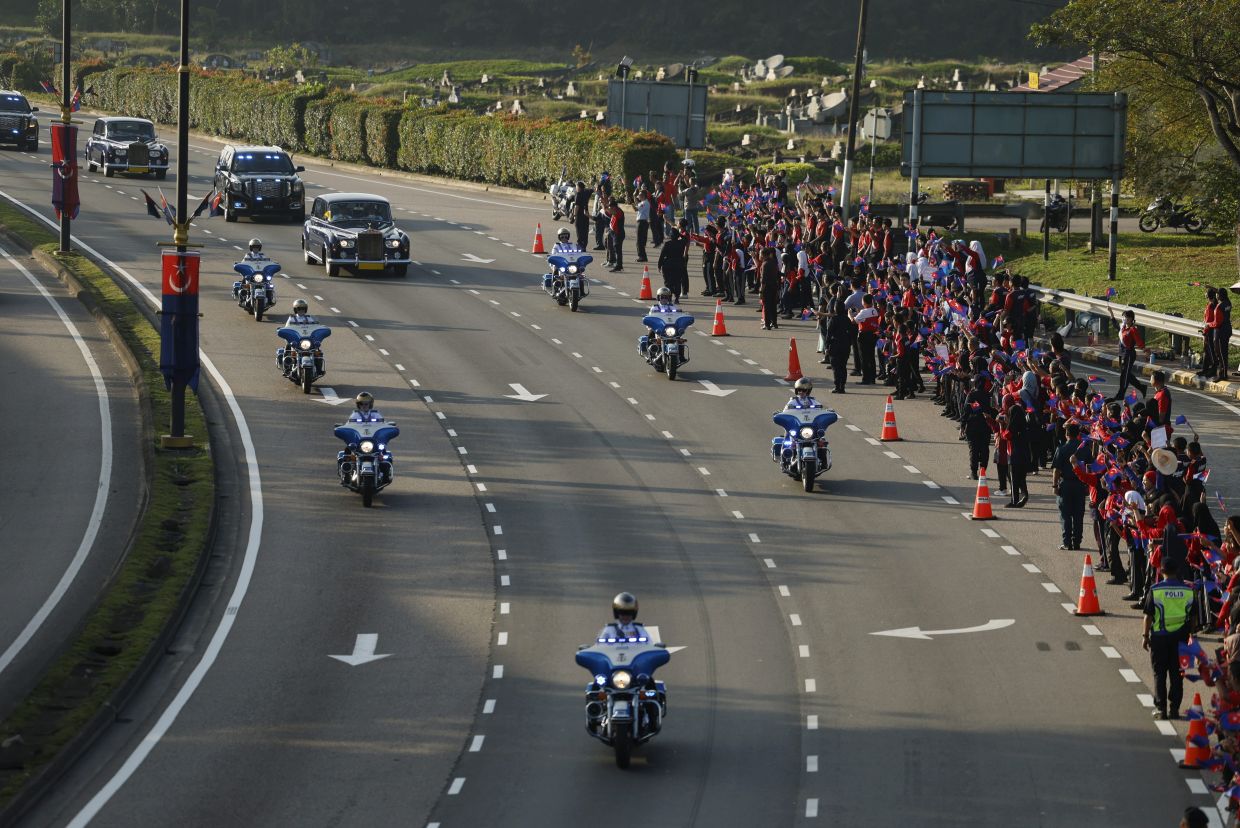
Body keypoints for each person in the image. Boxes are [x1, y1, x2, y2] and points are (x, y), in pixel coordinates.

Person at [1143, 556, 1196, 720]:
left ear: (1161, 570)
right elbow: (1193, 617)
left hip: (1159, 637)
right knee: (1177, 674)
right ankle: (1174, 708)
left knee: (1159, 673)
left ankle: (1161, 709)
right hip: (1181, 638)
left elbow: (1148, 616)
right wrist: (1191, 635)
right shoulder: (1188, 591)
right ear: (1177, 571)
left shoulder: (1156, 589)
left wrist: (1145, 636)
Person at [1052, 422, 1089, 550]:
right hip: (1080, 484)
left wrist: (1054, 486)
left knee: (1065, 514)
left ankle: (1067, 541)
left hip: (1066, 484)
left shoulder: (1061, 449)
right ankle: (1077, 541)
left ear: (1066, 434)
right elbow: (1090, 467)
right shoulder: (1084, 448)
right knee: (1078, 514)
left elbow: (1056, 470)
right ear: (1078, 434)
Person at [1110, 308, 1147, 401]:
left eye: (1126, 317)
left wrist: (1145, 349)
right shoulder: (1123, 327)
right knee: (1126, 374)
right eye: (1123, 317)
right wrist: (1111, 312)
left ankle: (1121, 394)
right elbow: (1115, 325)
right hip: (1121, 353)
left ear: (1131, 319)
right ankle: (1142, 387)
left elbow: (1139, 341)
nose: (1124, 318)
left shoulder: (1132, 329)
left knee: (1124, 375)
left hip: (1129, 354)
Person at [961, 377, 994, 480]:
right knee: (984, 449)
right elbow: (992, 410)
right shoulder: (988, 395)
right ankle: (983, 472)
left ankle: (974, 472)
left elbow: (966, 411)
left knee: (974, 450)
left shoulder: (972, 395)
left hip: (973, 426)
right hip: (986, 426)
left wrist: (963, 425)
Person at [658, 228, 690, 303]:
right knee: (677, 281)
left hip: (668, 265)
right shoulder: (681, 243)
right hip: (679, 264)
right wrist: (680, 234)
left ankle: (669, 296)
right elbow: (686, 239)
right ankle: (677, 298)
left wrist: (659, 265)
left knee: (668, 282)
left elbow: (662, 256)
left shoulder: (667, 244)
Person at [759, 247, 782, 330]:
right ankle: (774, 323)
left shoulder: (765, 264)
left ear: (763, 255)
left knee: (766, 306)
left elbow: (763, 280)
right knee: (773, 305)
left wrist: (761, 291)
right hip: (774, 286)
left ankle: (767, 324)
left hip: (767, 287)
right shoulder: (773, 262)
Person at [572, 181, 593, 250]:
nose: (576, 188)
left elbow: (576, 206)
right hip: (586, 215)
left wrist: (574, 215)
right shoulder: (587, 192)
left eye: (576, 186)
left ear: (578, 187)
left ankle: (580, 245)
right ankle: (584, 245)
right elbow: (592, 189)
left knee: (579, 231)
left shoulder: (578, 194)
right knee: (585, 231)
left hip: (580, 215)